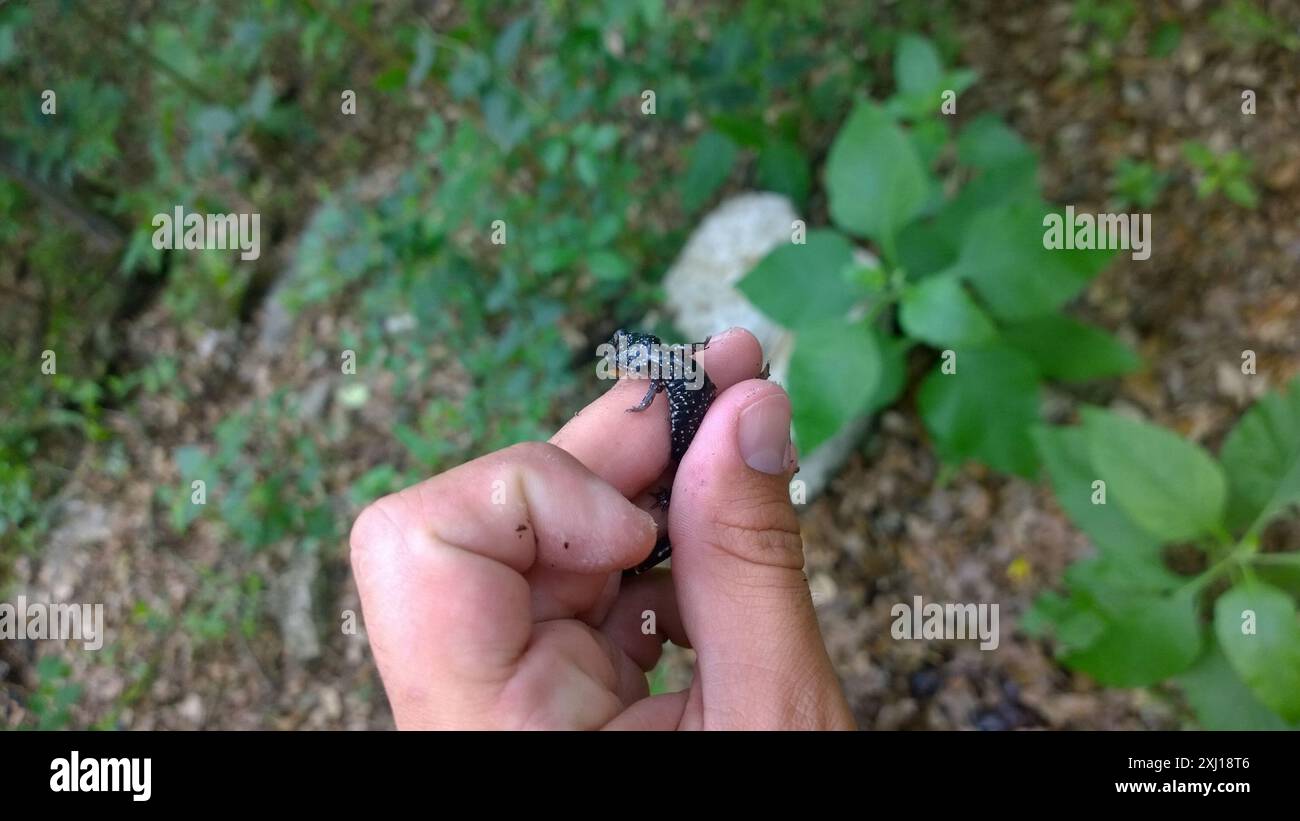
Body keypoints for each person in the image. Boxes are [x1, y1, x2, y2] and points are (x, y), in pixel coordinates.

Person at [349, 327, 855, 729]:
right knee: (680, 493)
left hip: (691, 458)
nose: (622, 369)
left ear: (647, 361)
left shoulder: (661, 377)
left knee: (687, 488)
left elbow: (648, 398)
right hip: (688, 452)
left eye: (629, 362)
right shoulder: (664, 372)